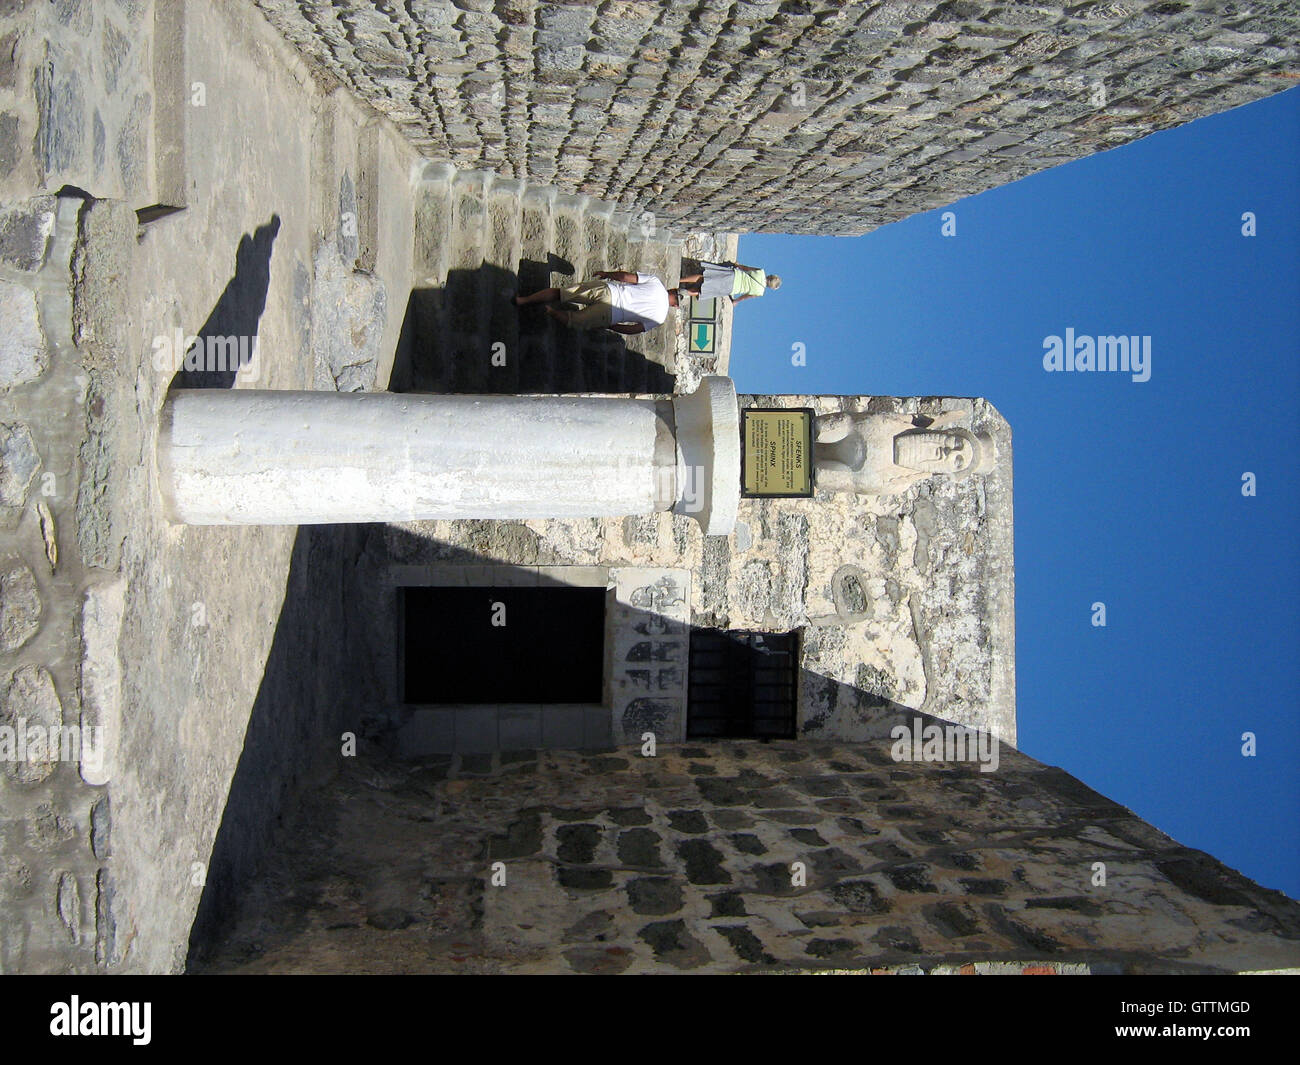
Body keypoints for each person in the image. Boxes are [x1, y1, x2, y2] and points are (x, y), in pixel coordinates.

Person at [514, 270, 677, 334]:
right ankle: (550, 311)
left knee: (562, 293)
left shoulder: (657, 282)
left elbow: (626, 277)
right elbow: (633, 329)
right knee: (574, 321)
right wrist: (611, 326)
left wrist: (608, 274)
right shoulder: (660, 318)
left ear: (672, 289)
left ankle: (523, 300)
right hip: (611, 314)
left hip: (609, 290)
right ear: (675, 305)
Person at [678, 260, 781, 304]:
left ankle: (679, 280)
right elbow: (746, 296)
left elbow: (746, 268)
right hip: (732, 289)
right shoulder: (760, 292)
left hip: (733, 275)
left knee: (705, 277)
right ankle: (683, 292)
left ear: (771, 276)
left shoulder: (761, 272)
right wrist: (736, 301)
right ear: (770, 286)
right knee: (705, 291)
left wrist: (737, 265)